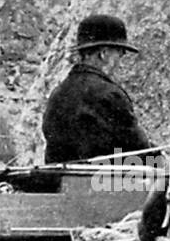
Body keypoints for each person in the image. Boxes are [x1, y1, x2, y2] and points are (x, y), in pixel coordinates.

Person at [42, 14, 152, 164]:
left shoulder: (58, 94)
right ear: (104, 54)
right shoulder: (110, 95)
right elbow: (140, 149)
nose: (119, 62)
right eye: (119, 54)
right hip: (101, 183)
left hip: (58, 183)